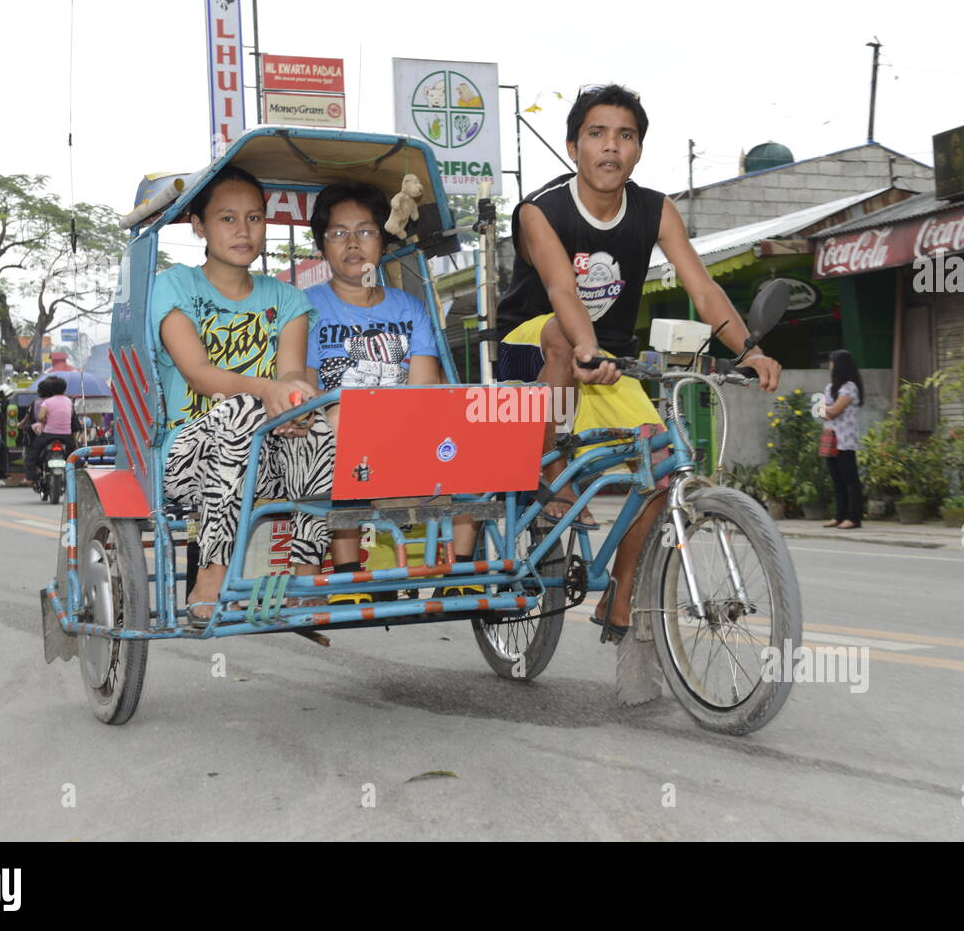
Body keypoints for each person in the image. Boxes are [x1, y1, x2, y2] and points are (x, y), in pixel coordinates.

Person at [493, 84, 782, 640]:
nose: (610, 147)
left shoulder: (655, 209)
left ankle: (620, 597)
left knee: (660, 458)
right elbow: (562, 289)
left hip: (603, 364)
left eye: (625, 136)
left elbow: (701, 286)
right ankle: (551, 469)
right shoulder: (541, 210)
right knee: (562, 331)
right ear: (574, 145)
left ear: (639, 149)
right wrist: (584, 348)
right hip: (533, 356)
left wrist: (750, 349)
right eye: (596, 134)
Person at [153, 164, 331, 623]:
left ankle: (306, 567)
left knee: (318, 414)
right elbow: (198, 374)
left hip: (266, 460)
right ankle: (212, 571)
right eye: (227, 218)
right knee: (242, 409)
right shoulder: (174, 285)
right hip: (188, 458)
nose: (243, 230)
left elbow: (291, 371)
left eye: (254, 218)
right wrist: (268, 390)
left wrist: (295, 399)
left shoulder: (287, 298)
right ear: (200, 227)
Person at [298, 181, 473, 598]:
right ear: (323, 245)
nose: (353, 243)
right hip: (338, 433)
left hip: (405, 430)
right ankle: (347, 571)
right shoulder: (305, 305)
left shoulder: (409, 307)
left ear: (382, 239)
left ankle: (461, 574)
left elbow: (425, 385)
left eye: (366, 231)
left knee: (470, 421)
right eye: (339, 233)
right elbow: (303, 384)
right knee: (338, 420)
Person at [819, 349, 864, 530]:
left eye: (832, 362)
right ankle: (839, 516)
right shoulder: (830, 387)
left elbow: (834, 410)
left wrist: (827, 409)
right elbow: (820, 412)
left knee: (850, 479)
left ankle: (853, 517)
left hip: (845, 439)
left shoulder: (850, 387)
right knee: (836, 479)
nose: (830, 366)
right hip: (830, 437)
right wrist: (827, 410)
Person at [27, 376, 75, 485]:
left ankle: (30, 476)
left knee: (33, 453)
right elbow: (71, 416)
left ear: (52, 390)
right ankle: (75, 476)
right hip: (66, 436)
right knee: (73, 456)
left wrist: (46, 420)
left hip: (48, 434)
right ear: (64, 389)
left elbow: (40, 417)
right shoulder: (69, 401)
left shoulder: (47, 402)